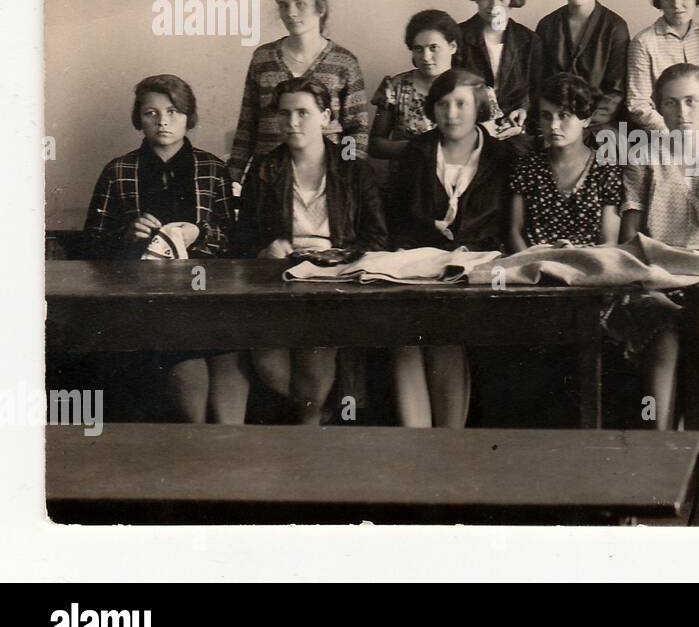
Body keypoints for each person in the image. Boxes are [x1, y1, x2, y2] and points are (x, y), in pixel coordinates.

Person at [83, 74, 246, 423]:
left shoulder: (212, 168)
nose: (163, 122)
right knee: (185, 358)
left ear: (189, 116)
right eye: (151, 113)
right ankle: (197, 440)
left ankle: (230, 444)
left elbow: (236, 240)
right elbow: (91, 244)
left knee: (230, 356)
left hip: (207, 292)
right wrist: (128, 235)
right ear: (138, 119)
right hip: (144, 298)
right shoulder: (119, 170)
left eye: (173, 112)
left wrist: (199, 233)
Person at [233, 77, 389, 425]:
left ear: (326, 117)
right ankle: (318, 414)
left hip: (336, 282)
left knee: (315, 355)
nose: (292, 122)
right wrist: (264, 250)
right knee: (267, 361)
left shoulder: (353, 168)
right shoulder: (265, 168)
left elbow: (378, 239)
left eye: (303, 112)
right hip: (280, 281)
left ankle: (308, 428)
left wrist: (341, 258)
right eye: (284, 113)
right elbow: (241, 239)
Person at [620, 63, 699, 429]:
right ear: (659, 109)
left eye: (691, 101)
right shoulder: (643, 158)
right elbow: (630, 236)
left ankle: (691, 430)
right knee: (665, 332)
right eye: (671, 103)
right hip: (654, 278)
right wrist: (658, 278)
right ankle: (661, 438)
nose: (682, 113)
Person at [387, 69, 513, 428]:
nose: (451, 113)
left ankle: (448, 438)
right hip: (419, 266)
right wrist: (406, 253)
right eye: (443, 104)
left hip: (478, 267)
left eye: (461, 104)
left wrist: (473, 253)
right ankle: (417, 439)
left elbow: (507, 223)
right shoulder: (417, 152)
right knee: (404, 338)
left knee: (447, 334)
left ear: (479, 108)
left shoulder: (502, 155)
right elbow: (398, 216)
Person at [229, 0, 368, 183]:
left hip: (324, 176)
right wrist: (234, 176)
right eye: (283, 5)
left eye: (300, 4)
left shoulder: (344, 62)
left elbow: (356, 129)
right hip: (269, 176)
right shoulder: (263, 58)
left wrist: (347, 175)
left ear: (320, 7)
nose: (291, 13)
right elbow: (247, 124)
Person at [508, 74, 622, 252]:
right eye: (546, 116)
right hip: (533, 262)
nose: (554, 125)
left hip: (587, 262)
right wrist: (533, 262)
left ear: (586, 119)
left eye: (564, 115)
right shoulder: (528, 166)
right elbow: (515, 233)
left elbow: (609, 242)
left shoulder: (606, 169)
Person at [534, 0, 630, 136]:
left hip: (598, 124)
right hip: (554, 124)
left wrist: (582, 123)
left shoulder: (615, 27)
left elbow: (616, 91)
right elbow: (539, 83)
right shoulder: (547, 26)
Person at [626, 0, 699, 132]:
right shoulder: (643, 42)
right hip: (664, 130)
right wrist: (670, 133)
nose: (676, 4)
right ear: (659, 1)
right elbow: (638, 104)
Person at [455, 0, 539, 134]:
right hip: (467, 129)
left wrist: (523, 112)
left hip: (516, 130)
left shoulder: (529, 40)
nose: (494, 6)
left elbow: (537, 91)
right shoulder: (457, 36)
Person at [368, 9, 457, 161]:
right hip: (408, 172)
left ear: (452, 47)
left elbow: (489, 146)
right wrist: (417, 148)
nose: (426, 57)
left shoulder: (472, 87)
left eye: (433, 48)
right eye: (418, 49)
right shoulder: (396, 87)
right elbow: (375, 145)